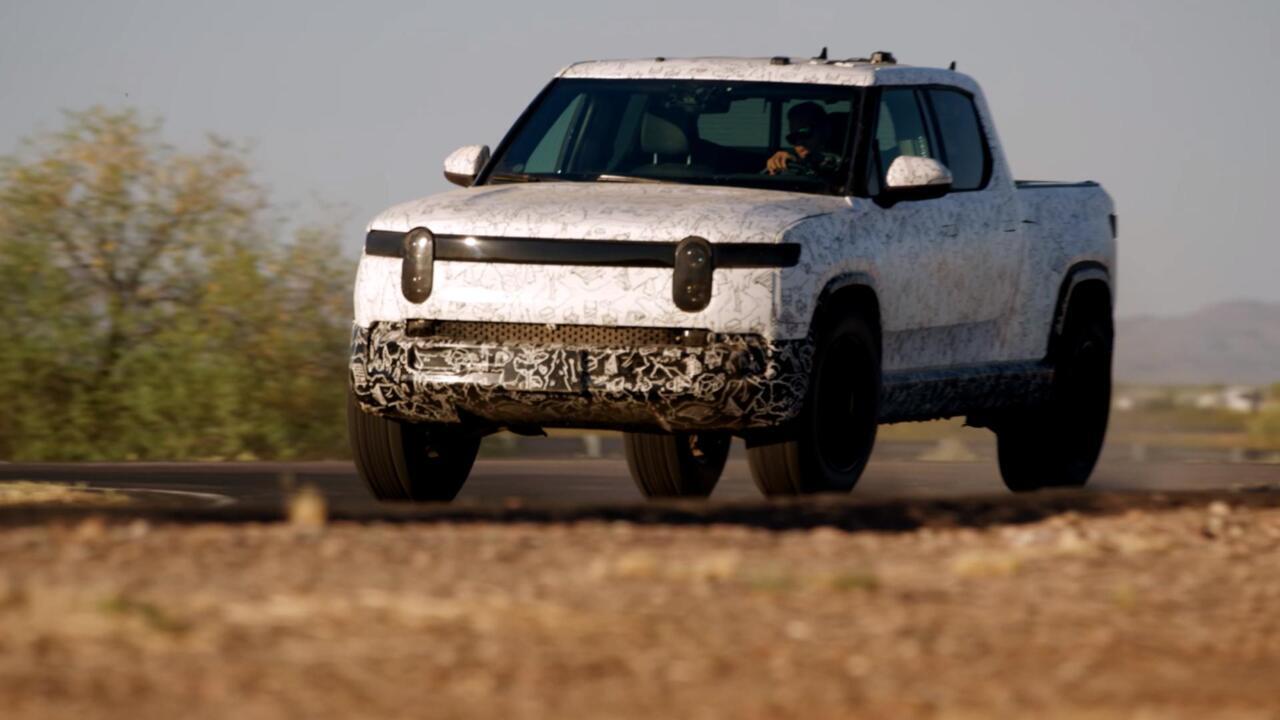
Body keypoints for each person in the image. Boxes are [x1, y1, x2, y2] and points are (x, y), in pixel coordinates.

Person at [764, 102, 843, 180]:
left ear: (825, 129)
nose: (799, 145)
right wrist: (776, 165)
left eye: (805, 134)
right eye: (793, 138)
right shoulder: (796, 156)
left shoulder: (850, 151)